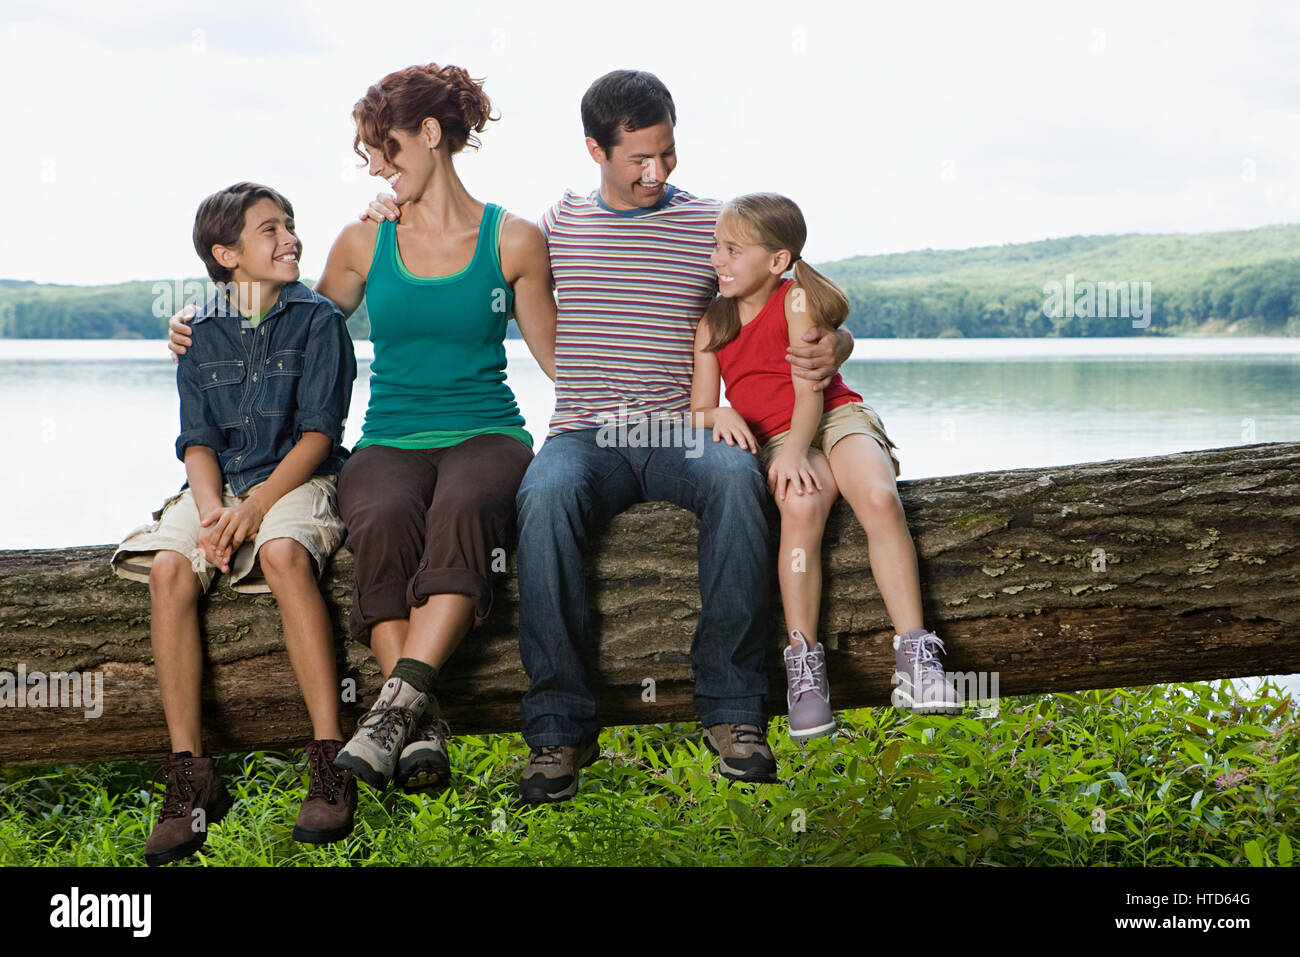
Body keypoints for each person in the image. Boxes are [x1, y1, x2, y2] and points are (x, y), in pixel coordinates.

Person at [171, 64, 556, 796]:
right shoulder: (361, 242)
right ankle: (421, 719)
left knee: (466, 508)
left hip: (487, 430)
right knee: (375, 515)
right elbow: (286, 329)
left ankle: (391, 710)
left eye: (385, 150)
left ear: (431, 137)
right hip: (389, 436)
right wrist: (200, 319)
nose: (375, 168)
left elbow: (559, 358)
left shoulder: (514, 242)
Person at [113, 182, 358, 865]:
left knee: (282, 554)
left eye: (291, 226)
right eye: (270, 230)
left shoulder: (319, 322)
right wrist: (216, 508)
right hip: (222, 484)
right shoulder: (199, 330)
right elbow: (197, 439)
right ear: (227, 255)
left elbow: (317, 436)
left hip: (297, 477)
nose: (291, 240)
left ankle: (329, 759)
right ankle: (190, 774)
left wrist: (251, 511)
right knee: (168, 568)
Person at [690, 192, 962, 743]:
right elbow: (697, 408)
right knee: (801, 505)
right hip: (775, 436)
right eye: (717, 247)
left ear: (777, 260)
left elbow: (811, 390)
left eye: (733, 250)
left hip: (834, 416)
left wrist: (796, 450)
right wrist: (719, 411)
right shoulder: (713, 323)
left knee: (880, 498)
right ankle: (804, 668)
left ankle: (915, 653)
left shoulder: (796, 304)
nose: (718, 258)